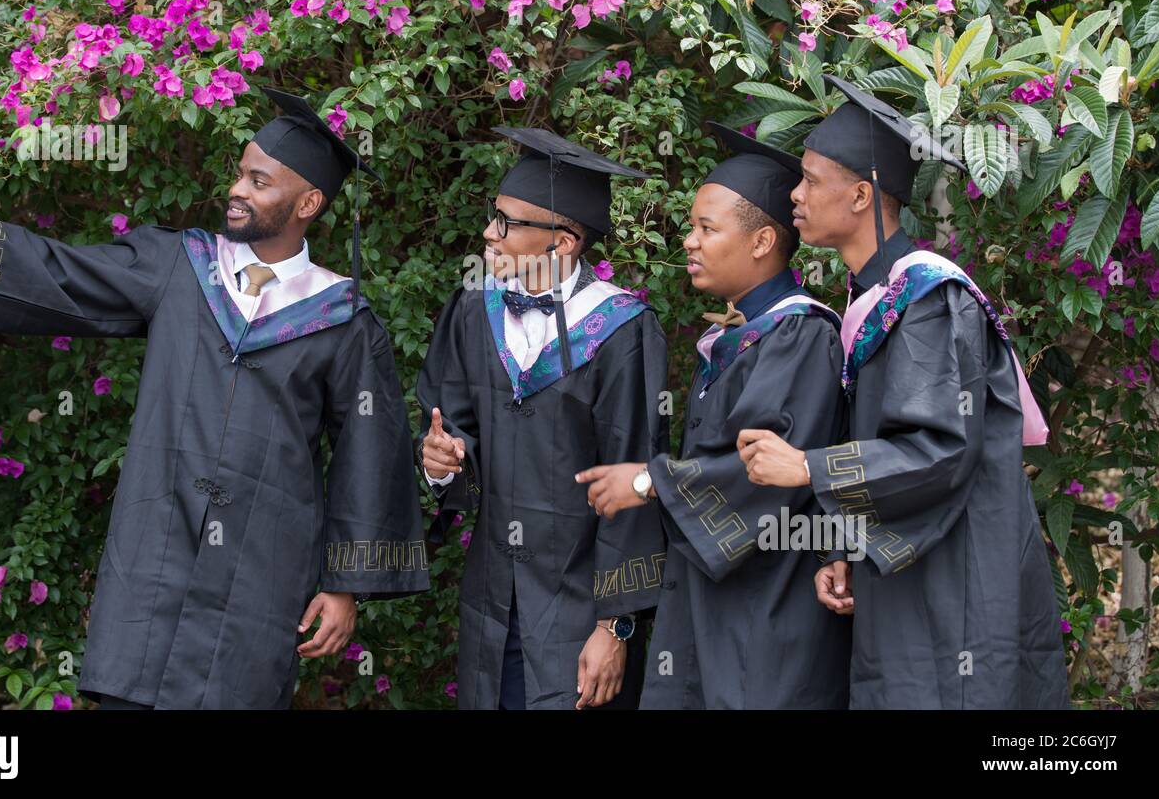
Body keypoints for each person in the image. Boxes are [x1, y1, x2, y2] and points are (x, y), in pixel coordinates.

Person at [0, 85, 429, 709]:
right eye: (240, 173)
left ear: (308, 202)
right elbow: (64, 273)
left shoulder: (342, 318)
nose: (238, 189)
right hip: (155, 553)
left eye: (260, 182)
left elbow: (370, 455)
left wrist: (345, 587)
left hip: (260, 571)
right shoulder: (180, 265)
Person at [736, 74, 1068, 709]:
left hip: (956, 580)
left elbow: (937, 451)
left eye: (809, 180)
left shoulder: (927, 301)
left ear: (861, 195)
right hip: (908, 574)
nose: (794, 196)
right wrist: (845, 545)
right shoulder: (875, 301)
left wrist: (806, 467)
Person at [577, 124, 851, 708]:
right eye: (691, 227)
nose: (689, 242)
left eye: (707, 228)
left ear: (760, 242)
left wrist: (650, 481)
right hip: (711, 606)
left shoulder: (800, 335)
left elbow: (763, 472)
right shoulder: (739, 335)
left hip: (768, 616)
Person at [416, 126, 667, 710]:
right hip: (491, 603)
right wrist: (441, 466)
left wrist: (617, 625)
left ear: (562, 244)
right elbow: (453, 434)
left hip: (579, 610)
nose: (488, 234)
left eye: (506, 223)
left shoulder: (622, 332)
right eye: (492, 215)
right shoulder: (475, 311)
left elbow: (637, 479)